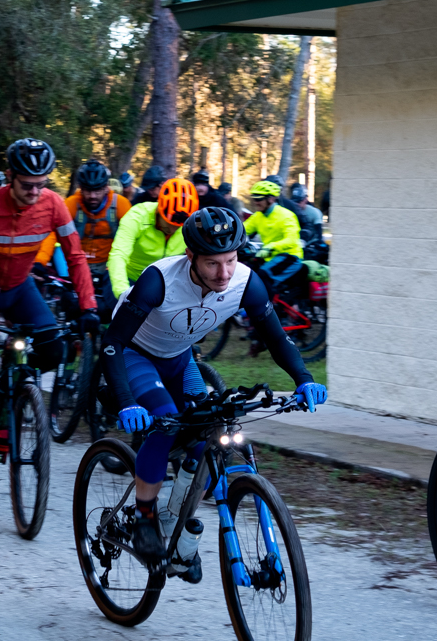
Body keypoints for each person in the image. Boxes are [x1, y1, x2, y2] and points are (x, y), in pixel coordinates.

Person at [103, 206, 325, 574]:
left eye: (231, 260)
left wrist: (304, 379)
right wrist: (126, 402)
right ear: (190, 255)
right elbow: (113, 342)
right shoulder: (159, 281)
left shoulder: (245, 282)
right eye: (212, 264)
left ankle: (175, 528)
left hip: (179, 357)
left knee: (210, 431)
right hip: (135, 354)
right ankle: (144, 517)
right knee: (165, 421)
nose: (224, 274)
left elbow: (275, 337)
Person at [0, 137, 97, 492]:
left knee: (54, 349)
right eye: (27, 185)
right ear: (10, 176)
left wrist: (88, 306)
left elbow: (74, 256)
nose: (35, 192)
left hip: (21, 288)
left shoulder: (54, 205)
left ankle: (16, 382)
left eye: (42, 184)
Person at [105, 176, 196, 298]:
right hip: (128, 277)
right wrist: (123, 293)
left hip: (162, 282)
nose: (173, 230)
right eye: (168, 223)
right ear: (159, 208)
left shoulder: (193, 225)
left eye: (179, 226)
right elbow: (118, 255)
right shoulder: (137, 216)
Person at [64, 161, 129, 311]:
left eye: (98, 190)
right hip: (77, 264)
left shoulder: (121, 205)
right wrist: (40, 261)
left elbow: (132, 236)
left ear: (106, 187)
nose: (92, 196)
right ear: (80, 188)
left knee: (115, 304)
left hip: (109, 265)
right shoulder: (71, 204)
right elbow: (53, 236)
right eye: (87, 190)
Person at [242, 180, 305, 294]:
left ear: (271, 199)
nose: (255, 202)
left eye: (259, 199)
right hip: (268, 256)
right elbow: (242, 230)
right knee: (245, 273)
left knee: (263, 275)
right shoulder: (258, 216)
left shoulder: (287, 216)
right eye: (254, 198)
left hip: (290, 257)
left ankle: (264, 310)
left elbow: (292, 240)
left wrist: (271, 247)